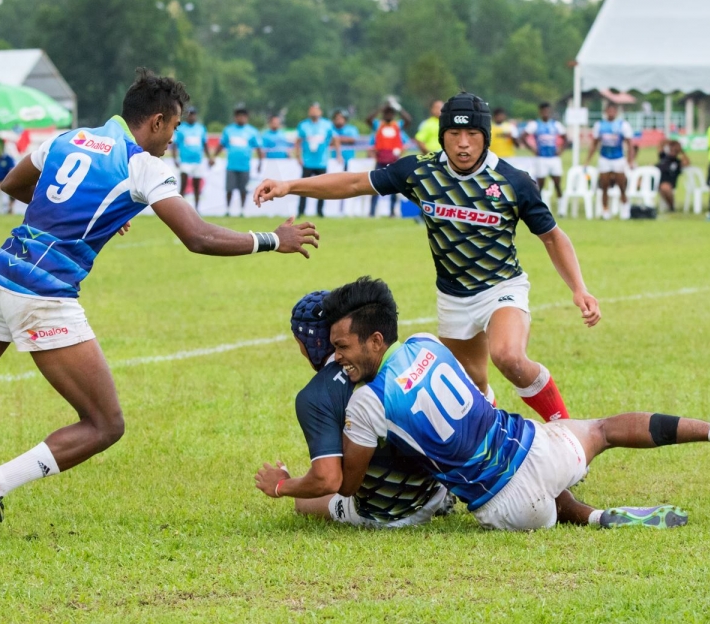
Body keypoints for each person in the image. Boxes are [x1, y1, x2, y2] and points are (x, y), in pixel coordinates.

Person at [0, 68, 320, 544]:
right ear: (154, 121)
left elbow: (13, 186)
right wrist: (270, 240)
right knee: (105, 425)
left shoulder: (69, 138)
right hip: (41, 298)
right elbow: (198, 236)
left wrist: (83, 214)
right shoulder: (142, 165)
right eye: (173, 127)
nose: (172, 138)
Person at [325, 277, 710, 531]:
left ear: (375, 340)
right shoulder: (426, 342)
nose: (337, 358)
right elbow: (474, 387)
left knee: (540, 501)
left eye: (342, 346)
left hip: (505, 507)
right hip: (535, 447)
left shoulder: (367, 402)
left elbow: (349, 484)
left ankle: (599, 518)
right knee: (603, 430)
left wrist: (293, 484)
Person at [254, 91, 598, 422]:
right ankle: (492, 440)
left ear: (486, 136)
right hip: (453, 297)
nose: (463, 143)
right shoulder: (421, 172)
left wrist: (579, 288)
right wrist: (290, 186)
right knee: (472, 387)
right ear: (442, 135)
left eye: (472, 134)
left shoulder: (513, 181)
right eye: (454, 133)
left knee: (509, 357)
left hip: (501, 287)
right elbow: (356, 183)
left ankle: (566, 431)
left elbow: (553, 238)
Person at [252, 290, 452, 528]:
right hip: (434, 489)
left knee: (303, 502)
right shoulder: (392, 358)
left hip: (389, 513)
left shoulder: (316, 395)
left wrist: (282, 485)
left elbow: (329, 481)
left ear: (311, 342)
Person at [586, 103, 634, 220]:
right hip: (604, 158)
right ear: (605, 112)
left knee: (621, 184)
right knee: (604, 185)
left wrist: (630, 160)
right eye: (609, 111)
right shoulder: (600, 125)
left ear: (616, 112)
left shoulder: (623, 125)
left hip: (618, 158)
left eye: (613, 111)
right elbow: (594, 144)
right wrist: (587, 160)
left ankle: (625, 208)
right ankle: (605, 210)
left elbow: (630, 144)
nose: (611, 113)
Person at [367, 101, 413, 217]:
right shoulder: (378, 125)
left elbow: (408, 120)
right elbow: (368, 120)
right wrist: (380, 108)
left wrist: (399, 108)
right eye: (386, 113)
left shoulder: (397, 125)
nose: (388, 115)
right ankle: (372, 212)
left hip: (394, 160)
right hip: (381, 159)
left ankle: (392, 211)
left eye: (390, 113)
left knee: (395, 186)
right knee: (374, 185)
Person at [216, 106, 263, 217]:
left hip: (245, 166)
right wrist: (214, 156)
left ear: (246, 117)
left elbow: (259, 148)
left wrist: (260, 162)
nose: (241, 118)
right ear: (235, 117)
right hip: (231, 166)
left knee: (243, 190)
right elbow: (221, 145)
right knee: (229, 189)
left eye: (243, 116)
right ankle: (228, 209)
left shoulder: (252, 131)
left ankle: (242, 210)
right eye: (239, 116)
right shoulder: (229, 130)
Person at [294, 102, 334, 218]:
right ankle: (301, 212)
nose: (314, 112)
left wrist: (336, 153)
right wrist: (298, 156)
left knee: (322, 188)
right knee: (303, 188)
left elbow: (334, 139)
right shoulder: (303, 125)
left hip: (322, 162)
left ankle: (320, 211)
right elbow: (298, 141)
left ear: (320, 112)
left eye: (316, 110)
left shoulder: (327, 125)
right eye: (311, 110)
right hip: (307, 162)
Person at [171, 106, 212, 209]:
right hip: (185, 161)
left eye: (193, 114)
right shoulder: (181, 128)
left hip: (197, 161)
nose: (191, 116)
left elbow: (205, 144)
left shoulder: (201, 128)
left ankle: (197, 208)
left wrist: (209, 157)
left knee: (197, 186)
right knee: (184, 185)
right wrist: (175, 158)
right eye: (189, 114)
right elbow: (175, 145)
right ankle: (180, 208)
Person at [523, 102, 566, 199]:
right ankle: (539, 204)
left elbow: (566, 138)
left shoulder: (556, 125)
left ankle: (561, 207)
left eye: (547, 111)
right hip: (541, 158)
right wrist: (532, 149)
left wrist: (561, 150)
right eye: (544, 111)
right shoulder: (535, 124)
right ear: (540, 112)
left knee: (557, 183)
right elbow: (523, 137)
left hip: (554, 157)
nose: (546, 113)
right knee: (540, 184)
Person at [656, 139, 690, 212]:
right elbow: (660, 145)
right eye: (671, 149)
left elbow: (687, 162)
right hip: (655, 179)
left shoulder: (678, 162)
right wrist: (670, 142)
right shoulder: (664, 157)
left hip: (668, 182)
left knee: (664, 187)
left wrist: (682, 151)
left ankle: (671, 207)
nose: (673, 151)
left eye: (675, 150)